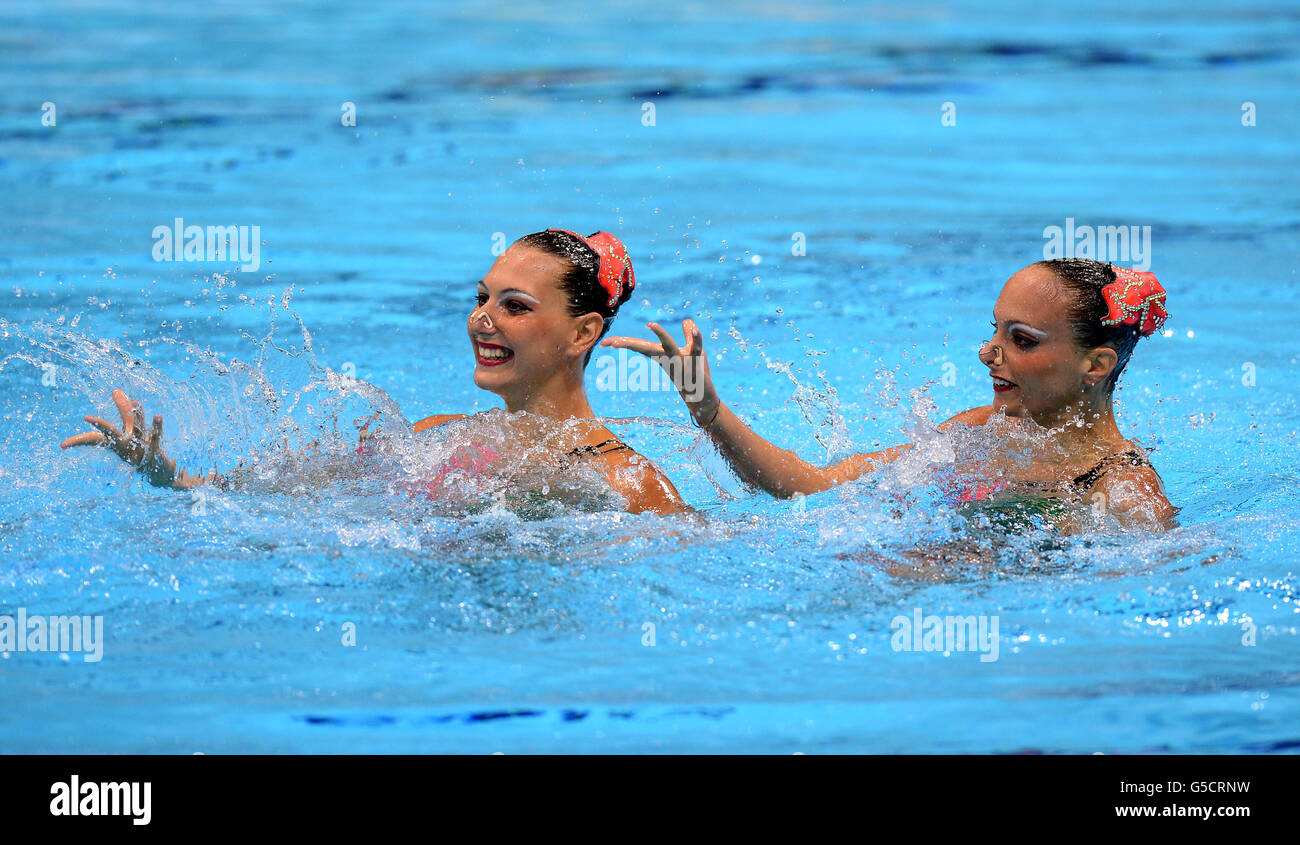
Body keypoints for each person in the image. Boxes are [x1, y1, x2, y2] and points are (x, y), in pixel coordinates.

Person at [60, 229, 687, 516]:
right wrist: (164, 475)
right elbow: (277, 501)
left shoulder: (626, 479)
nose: (481, 320)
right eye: (481, 298)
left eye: (514, 306)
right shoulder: (437, 432)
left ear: (584, 333)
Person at [603, 258, 1176, 528]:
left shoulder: (1121, 488)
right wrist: (709, 410)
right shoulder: (979, 429)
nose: (988, 352)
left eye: (1021, 340)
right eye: (993, 330)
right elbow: (810, 487)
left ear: (1095, 364)